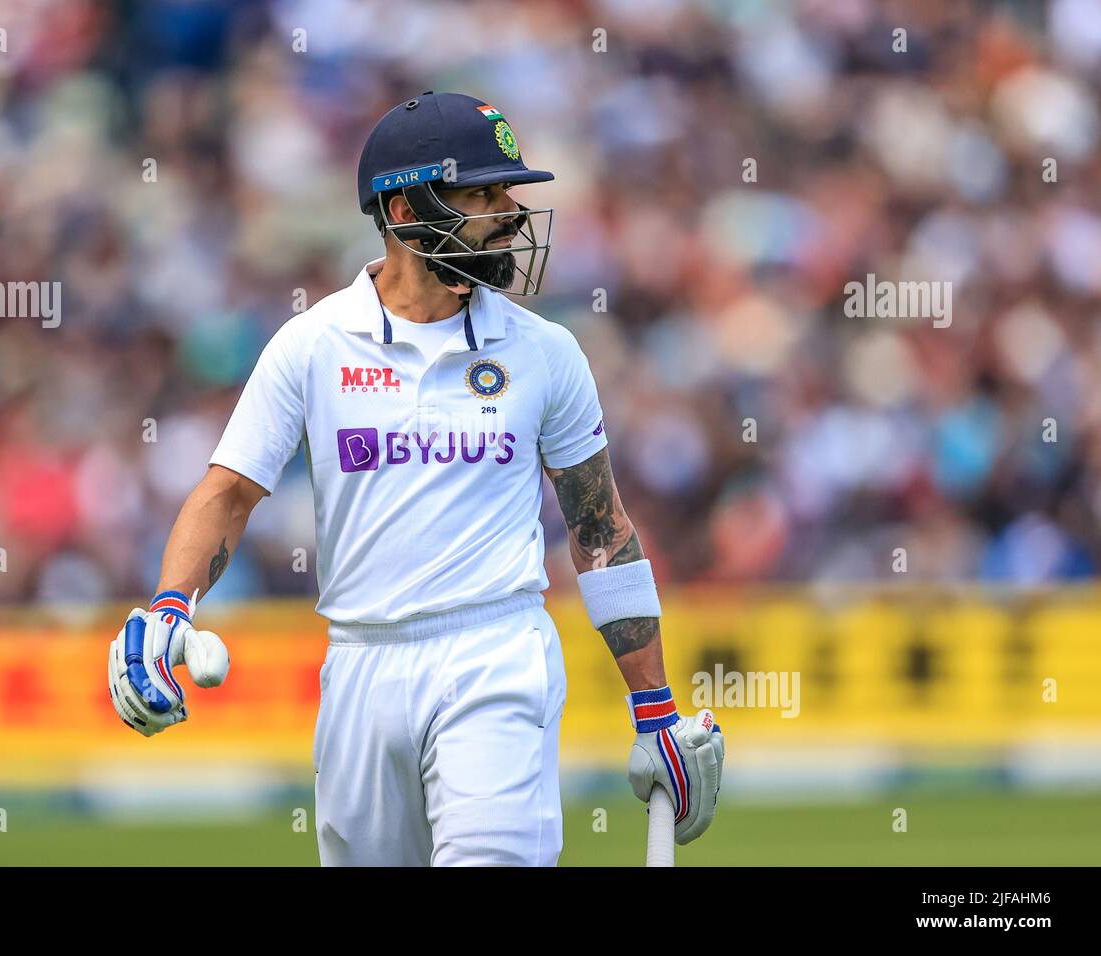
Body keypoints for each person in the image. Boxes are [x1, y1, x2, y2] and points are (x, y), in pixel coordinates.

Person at [107, 92, 724, 866]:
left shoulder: (546, 352)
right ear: (404, 211)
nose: (512, 212)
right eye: (483, 194)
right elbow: (227, 495)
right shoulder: (312, 345)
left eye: (510, 192)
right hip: (360, 665)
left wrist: (655, 707)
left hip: (495, 652)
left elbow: (601, 532)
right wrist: (169, 607)